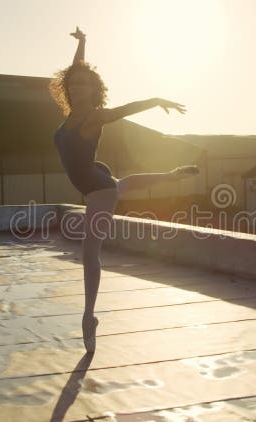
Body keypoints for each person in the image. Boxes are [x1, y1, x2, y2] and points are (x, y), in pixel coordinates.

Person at [49, 26, 200, 354]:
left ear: (94, 90)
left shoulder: (95, 117)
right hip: (97, 179)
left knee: (89, 251)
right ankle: (172, 175)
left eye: (84, 84)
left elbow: (126, 109)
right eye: (73, 84)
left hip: (97, 188)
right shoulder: (71, 115)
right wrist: (83, 43)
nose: (76, 87)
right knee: (122, 186)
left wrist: (156, 101)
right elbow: (76, 71)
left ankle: (89, 316)